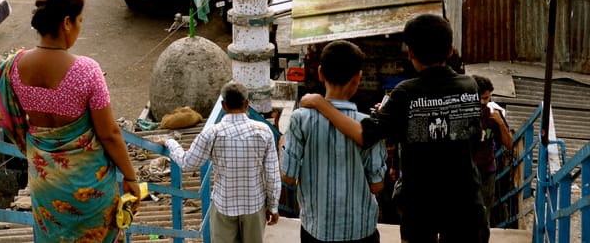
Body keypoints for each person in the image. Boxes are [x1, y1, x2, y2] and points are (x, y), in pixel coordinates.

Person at [300, 14, 486, 243]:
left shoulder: (405, 92)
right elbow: (472, 138)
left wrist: (320, 103)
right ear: (450, 50)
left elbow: (363, 134)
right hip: (465, 201)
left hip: (420, 204)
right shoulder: (470, 86)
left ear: (411, 53)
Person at [0, 0, 142, 243]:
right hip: (88, 186)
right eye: (80, 21)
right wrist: (130, 177)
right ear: (66, 23)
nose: (80, 27)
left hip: (46, 184)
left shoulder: (14, 67)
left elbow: (11, 118)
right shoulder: (87, 70)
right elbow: (109, 133)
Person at [280, 40, 386, 243]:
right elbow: (377, 186)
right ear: (358, 78)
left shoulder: (301, 119)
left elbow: (288, 178)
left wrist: (283, 144)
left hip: (317, 229)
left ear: (320, 73)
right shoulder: (368, 126)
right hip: (361, 231)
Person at [158, 81, 280, 243]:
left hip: (224, 204)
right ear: (247, 104)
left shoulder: (211, 133)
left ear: (223, 106)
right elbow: (272, 175)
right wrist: (273, 206)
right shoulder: (263, 132)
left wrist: (170, 142)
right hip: (254, 205)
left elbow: (188, 163)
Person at [473, 75, 513, 230]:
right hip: (466, 172)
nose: (486, 102)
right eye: (483, 98)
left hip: (486, 172)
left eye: (488, 98)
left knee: (484, 216)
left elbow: (509, 144)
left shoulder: (494, 113)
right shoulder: (463, 113)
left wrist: (500, 123)